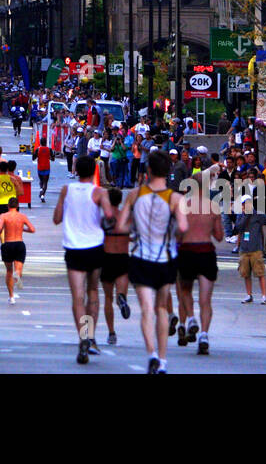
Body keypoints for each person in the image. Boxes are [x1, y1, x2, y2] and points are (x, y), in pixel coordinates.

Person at [118, 151, 187, 374]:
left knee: (146, 309)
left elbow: (121, 226)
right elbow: (184, 228)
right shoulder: (175, 199)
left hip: (140, 257)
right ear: (168, 172)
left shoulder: (134, 195)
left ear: (148, 170)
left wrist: (136, 229)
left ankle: (151, 354)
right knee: (161, 309)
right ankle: (164, 360)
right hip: (165, 258)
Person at [53, 155, 118, 365]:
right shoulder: (98, 192)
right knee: (93, 293)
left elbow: (56, 218)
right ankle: (90, 337)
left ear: (76, 169)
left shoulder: (66, 190)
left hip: (73, 247)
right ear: (94, 171)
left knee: (77, 296)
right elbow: (109, 216)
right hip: (94, 247)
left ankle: (82, 336)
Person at [175, 171, 223, 355]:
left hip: (187, 250)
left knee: (185, 290)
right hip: (206, 251)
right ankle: (204, 334)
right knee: (206, 299)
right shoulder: (213, 207)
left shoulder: (183, 206)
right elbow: (219, 237)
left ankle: (191, 319)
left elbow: (178, 232)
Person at [100, 187, 132, 346]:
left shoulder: (103, 219)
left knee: (107, 298)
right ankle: (122, 300)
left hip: (107, 257)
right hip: (123, 257)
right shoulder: (126, 218)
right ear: (120, 201)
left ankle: (111, 332)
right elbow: (133, 235)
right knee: (121, 290)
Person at [0, 197, 35, 303]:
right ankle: (17, 274)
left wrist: (3, 228)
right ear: (17, 206)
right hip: (19, 243)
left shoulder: (4, 216)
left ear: (8, 206)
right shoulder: (22, 216)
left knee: (8, 271)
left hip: (8, 244)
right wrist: (23, 229)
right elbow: (32, 229)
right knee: (18, 268)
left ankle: (11, 296)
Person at [235, 192, 266, 304]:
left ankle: (264, 296)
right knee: (246, 273)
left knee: (260, 272)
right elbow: (238, 227)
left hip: (256, 249)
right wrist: (246, 215)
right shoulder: (241, 215)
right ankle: (249, 294)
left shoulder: (258, 215)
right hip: (244, 249)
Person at [34, 134, 54, 204]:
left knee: (41, 181)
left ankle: (41, 190)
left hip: (39, 167)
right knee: (45, 182)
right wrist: (49, 157)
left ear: (40, 142)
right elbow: (53, 159)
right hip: (47, 167)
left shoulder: (38, 149)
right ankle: (42, 194)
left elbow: (33, 158)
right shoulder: (49, 149)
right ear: (46, 143)